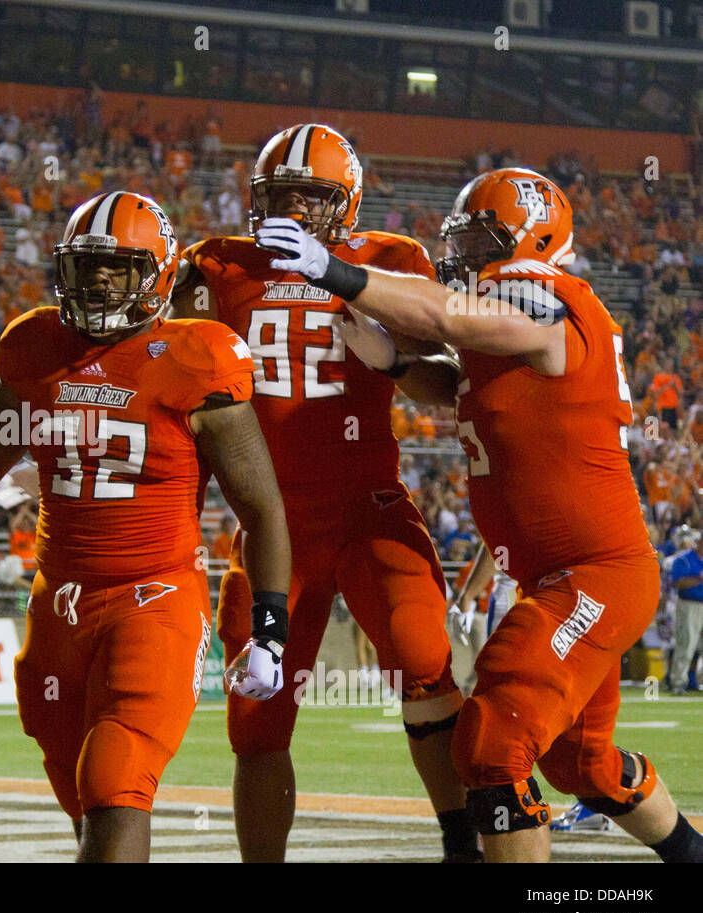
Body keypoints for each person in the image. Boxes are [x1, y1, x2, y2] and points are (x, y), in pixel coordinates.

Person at [254, 165, 703, 863]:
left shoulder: (550, 294)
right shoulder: (512, 325)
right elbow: (460, 379)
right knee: (582, 765)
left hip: (592, 576)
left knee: (492, 739)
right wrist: (397, 367)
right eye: (462, 238)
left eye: (481, 237)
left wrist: (334, 270)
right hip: (567, 577)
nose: (463, 254)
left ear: (532, 237)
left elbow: (446, 316)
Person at [0, 192, 292, 862]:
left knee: (115, 777)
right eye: (85, 265)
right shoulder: (35, 347)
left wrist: (270, 626)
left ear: (160, 273)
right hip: (58, 600)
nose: (96, 281)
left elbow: (260, 505)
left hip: (155, 596)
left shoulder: (197, 354)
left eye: (117, 268)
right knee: (77, 779)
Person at [170, 124, 472, 862]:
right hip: (271, 520)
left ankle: (463, 838)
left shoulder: (389, 260)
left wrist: (394, 357)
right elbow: (159, 366)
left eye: (313, 195)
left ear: (349, 201)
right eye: (281, 194)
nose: (295, 209)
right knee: (257, 717)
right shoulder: (218, 263)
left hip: (369, 503)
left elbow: (450, 385)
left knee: (424, 658)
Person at [668, 526, 703, 695]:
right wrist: (698, 579)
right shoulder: (684, 559)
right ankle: (678, 682)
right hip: (689, 605)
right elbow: (677, 583)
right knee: (686, 644)